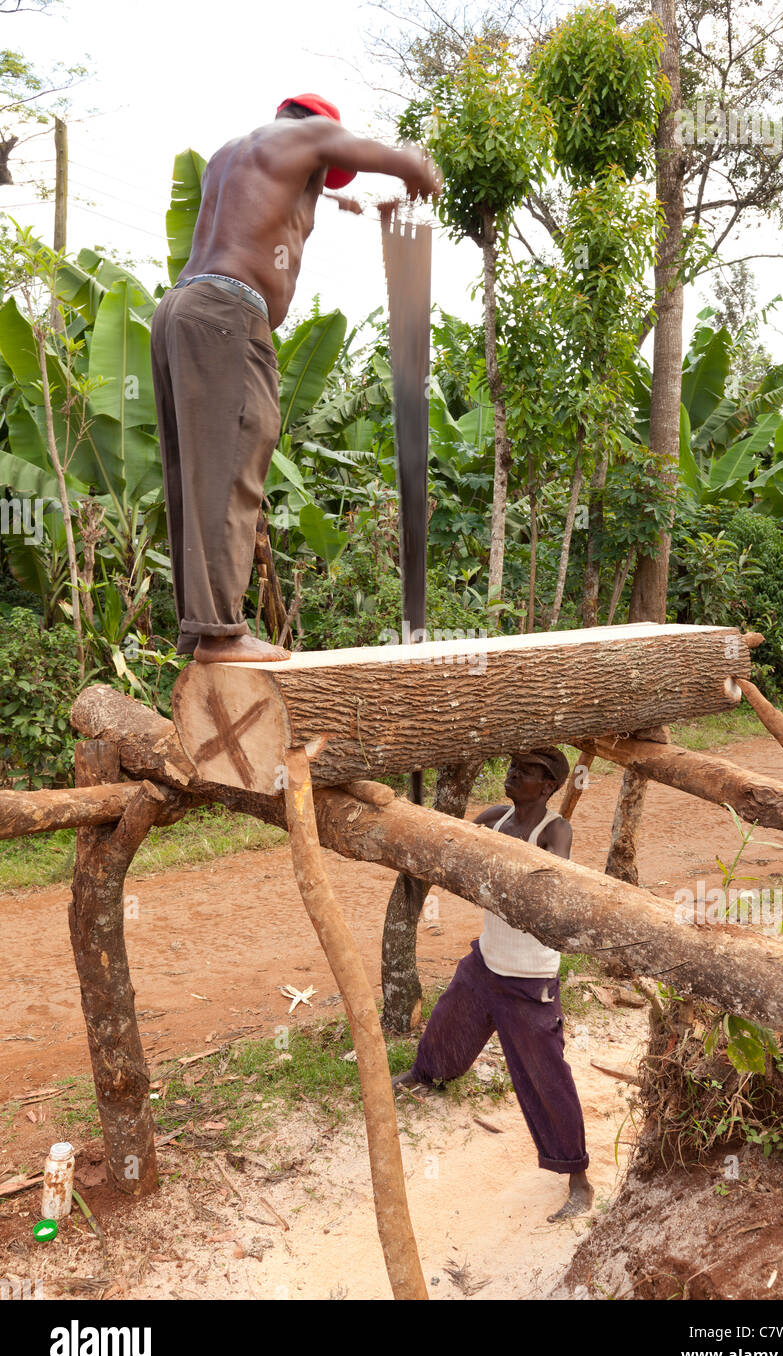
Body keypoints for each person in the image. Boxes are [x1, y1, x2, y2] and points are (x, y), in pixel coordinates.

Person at [150, 93, 441, 664]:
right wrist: (418, 176)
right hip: (228, 318)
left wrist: (347, 201)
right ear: (319, 126)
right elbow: (409, 162)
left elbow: (275, 199)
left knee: (196, 473)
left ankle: (203, 631)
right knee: (237, 458)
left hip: (181, 310)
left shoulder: (231, 155)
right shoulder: (310, 135)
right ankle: (219, 635)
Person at [392, 747, 594, 1221]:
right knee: (447, 1023)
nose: (513, 774)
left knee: (545, 1076)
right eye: (512, 767)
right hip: (487, 962)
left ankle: (578, 1178)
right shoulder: (496, 817)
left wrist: (493, 867)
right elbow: (450, 840)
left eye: (525, 772)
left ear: (547, 787)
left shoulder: (554, 830)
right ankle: (429, 1077)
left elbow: (551, 882)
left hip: (529, 980)